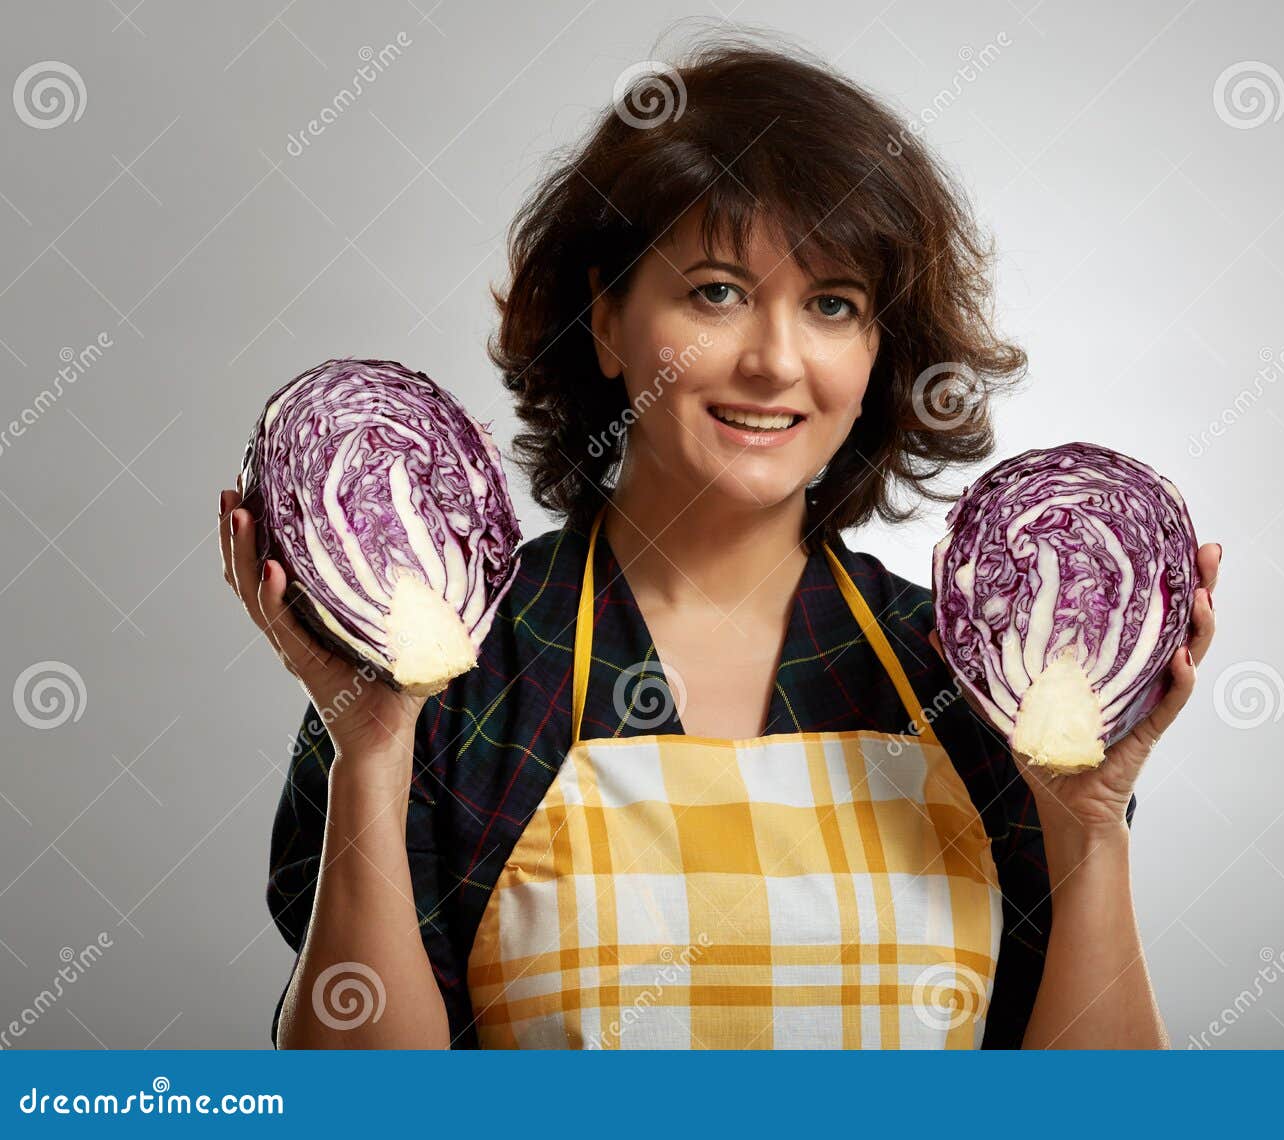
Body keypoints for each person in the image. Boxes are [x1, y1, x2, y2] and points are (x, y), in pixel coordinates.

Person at [219, 34, 1220, 1050]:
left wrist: (1088, 829)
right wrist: (372, 752)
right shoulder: (445, 681)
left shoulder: (981, 685)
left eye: (832, 306)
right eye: (716, 293)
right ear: (607, 323)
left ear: (878, 354)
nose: (775, 361)